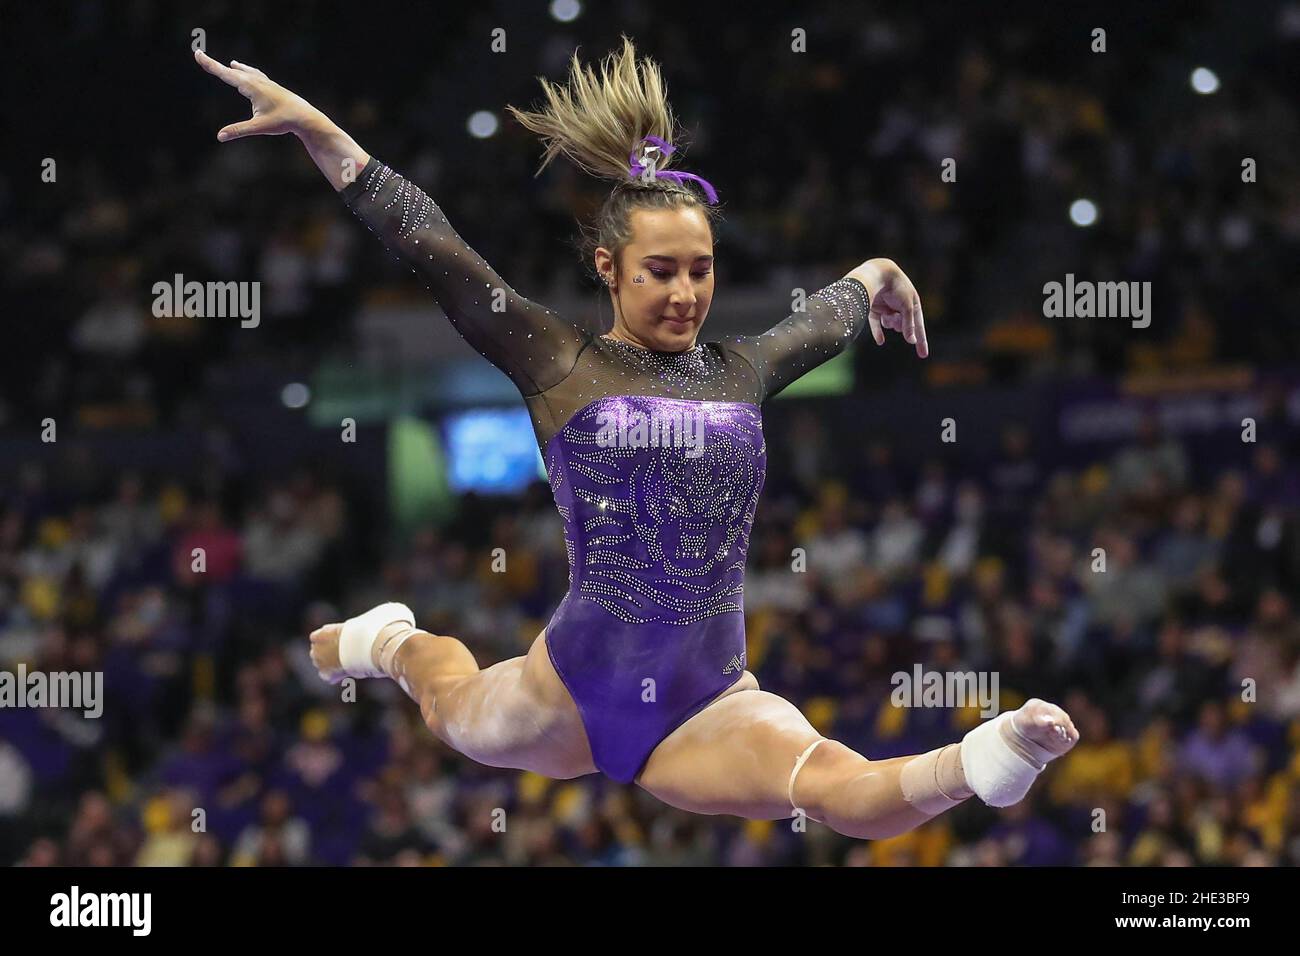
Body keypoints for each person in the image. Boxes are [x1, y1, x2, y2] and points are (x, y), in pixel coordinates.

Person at [196, 36, 1078, 840]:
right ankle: (389, 640)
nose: (686, 293)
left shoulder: (741, 371)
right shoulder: (555, 360)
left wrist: (881, 272)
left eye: (701, 270)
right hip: (571, 691)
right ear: (608, 268)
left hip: (708, 696)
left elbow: (828, 319)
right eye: (660, 272)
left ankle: (999, 751)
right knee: (448, 701)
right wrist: (317, 129)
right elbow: (430, 244)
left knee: (842, 794)